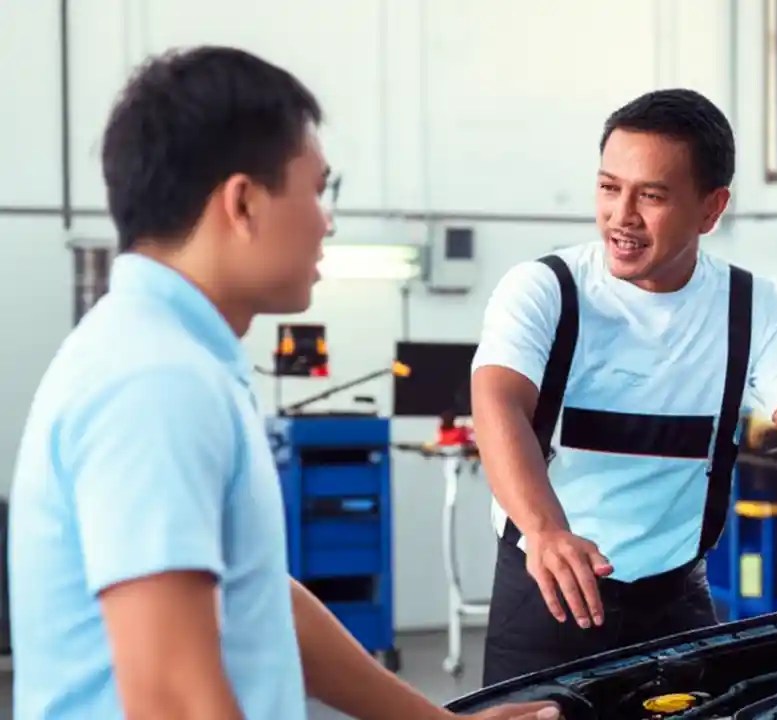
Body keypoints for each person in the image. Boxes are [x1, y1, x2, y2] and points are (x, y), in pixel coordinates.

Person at [6, 46, 558, 720]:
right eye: (317, 188)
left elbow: (262, 602)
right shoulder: (156, 382)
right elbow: (173, 703)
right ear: (243, 202)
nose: (326, 220)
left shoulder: (178, 359)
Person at [470, 88, 777, 686]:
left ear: (712, 209)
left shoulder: (750, 307)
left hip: (674, 598)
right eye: (609, 188)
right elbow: (497, 403)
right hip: (546, 589)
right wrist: (547, 531)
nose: (621, 216)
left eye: (650, 196)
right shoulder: (545, 289)